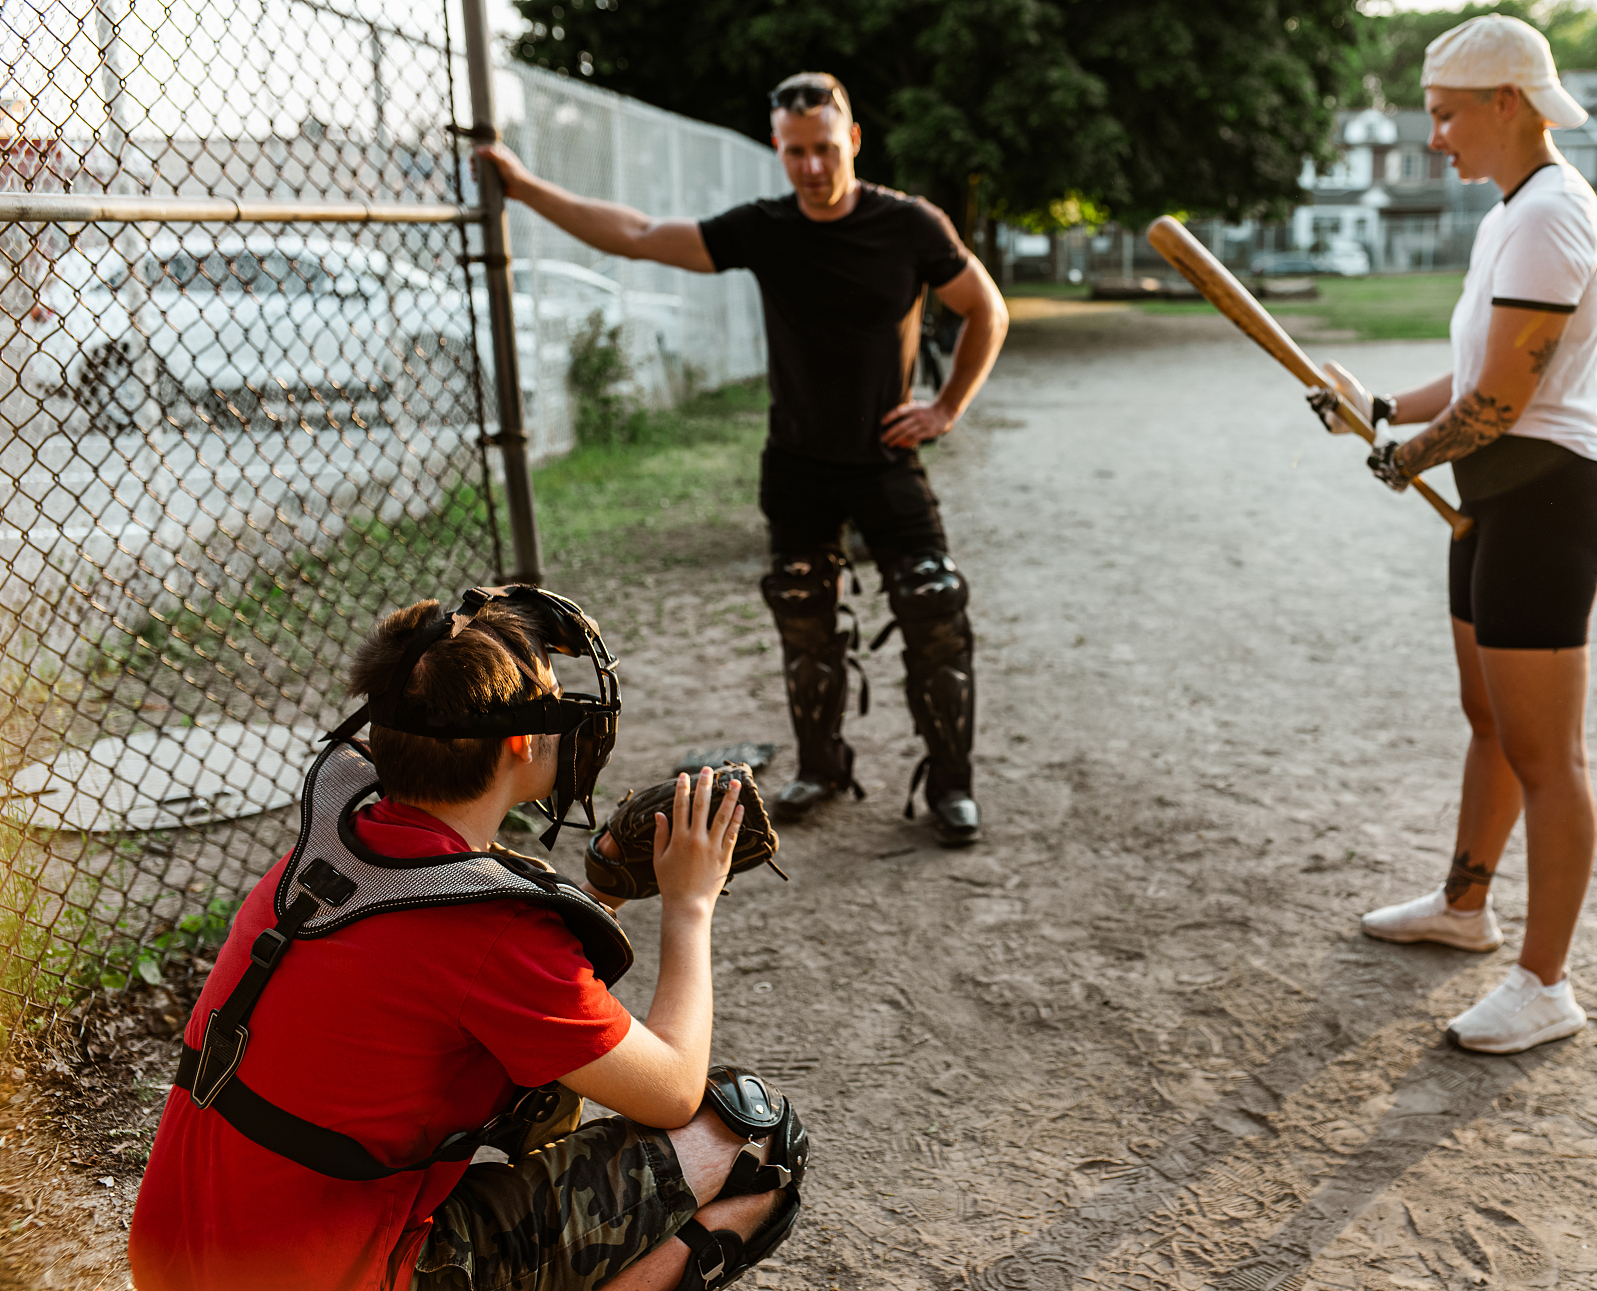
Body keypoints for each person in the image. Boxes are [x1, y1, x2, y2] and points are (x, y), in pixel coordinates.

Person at [130, 586, 807, 1291]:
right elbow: (670, 1089)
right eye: (554, 694)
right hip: (336, 1276)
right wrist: (689, 903)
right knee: (753, 1135)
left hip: (177, 1259)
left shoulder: (322, 861)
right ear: (520, 739)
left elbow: (474, 986)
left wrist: (595, 896)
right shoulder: (497, 934)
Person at [476, 71, 1010, 848]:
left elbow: (984, 308)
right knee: (805, 621)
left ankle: (952, 787)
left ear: (852, 140)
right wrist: (524, 188)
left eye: (826, 149)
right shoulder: (767, 227)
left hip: (885, 458)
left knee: (934, 608)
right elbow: (635, 233)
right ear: (779, 149)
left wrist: (948, 406)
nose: (813, 168)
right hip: (796, 462)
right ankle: (822, 766)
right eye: (796, 153)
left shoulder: (908, 225)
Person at [1328, 14, 1597, 1055]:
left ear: (1506, 102)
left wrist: (1408, 459)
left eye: (1446, 116)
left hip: (1545, 502)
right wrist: (1380, 410)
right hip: (1495, 497)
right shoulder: (1511, 212)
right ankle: (1465, 907)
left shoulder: (1548, 217)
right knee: (1489, 720)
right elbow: (1467, 382)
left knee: (1548, 754)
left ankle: (1544, 983)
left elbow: (1500, 400)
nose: (1435, 137)